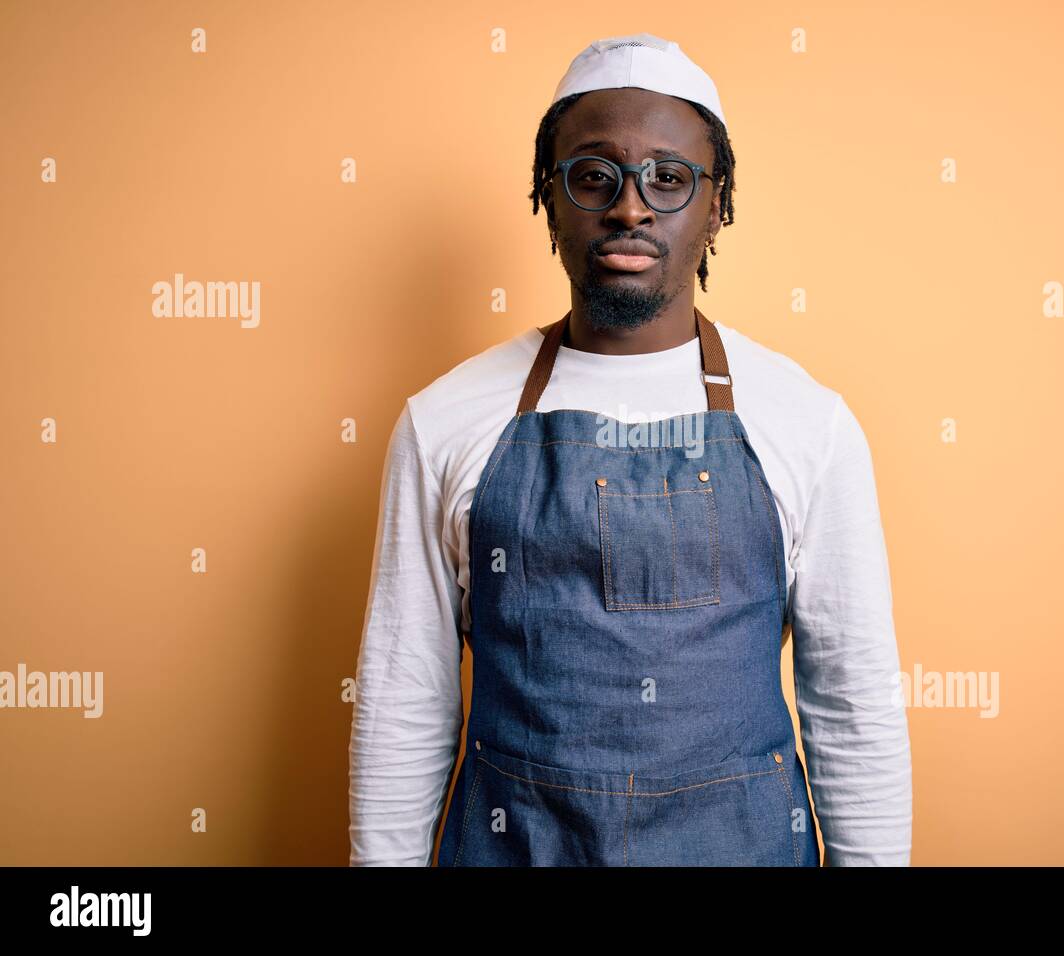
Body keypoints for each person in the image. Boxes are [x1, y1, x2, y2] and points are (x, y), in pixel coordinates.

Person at [348, 32, 911, 866]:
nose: (631, 207)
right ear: (547, 197)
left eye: (669, 177)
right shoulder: (445, 420)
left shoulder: (807, 421)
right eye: (593, 175)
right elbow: (405, 699)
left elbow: (852, 701)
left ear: (717, 207)